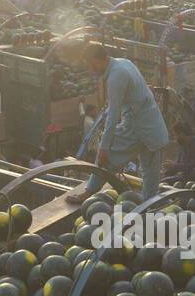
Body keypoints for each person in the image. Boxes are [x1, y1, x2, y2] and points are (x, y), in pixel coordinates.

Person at [66, 44, 169, 203]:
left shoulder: (116, 76)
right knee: (150, 177)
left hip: (137, 127)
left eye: (89, 64)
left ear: (95, 60)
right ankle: (149, 208)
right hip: (154, 126)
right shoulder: (124, 62)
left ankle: (88, 192)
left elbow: (113, 114)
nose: (90, 69)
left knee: (106, 158)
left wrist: (104, 147)